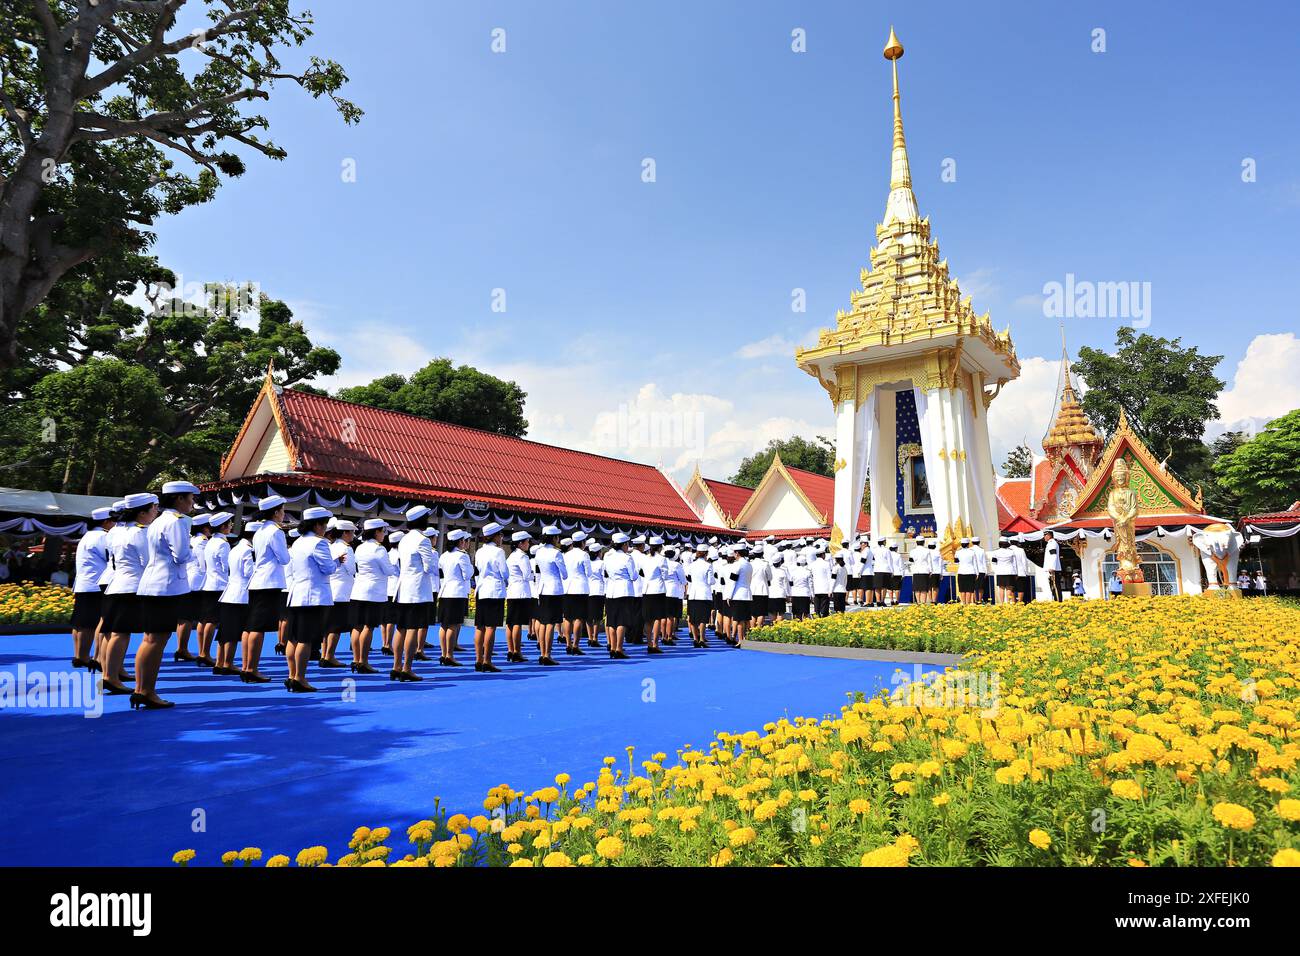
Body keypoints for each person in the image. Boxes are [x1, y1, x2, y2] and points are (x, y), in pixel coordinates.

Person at [132, 480, 199, 709]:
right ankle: (146, 691)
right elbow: (181, 556)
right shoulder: (176, 522)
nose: (192, 502)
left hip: (155, 585)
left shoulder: (160, 521)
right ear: (179, 499)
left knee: (150, 640)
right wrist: (192, 552)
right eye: (190, 497)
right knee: (156, 641)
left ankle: (142, 689)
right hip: (166, 587)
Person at [99, 494, 158, 694]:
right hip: (132, 586)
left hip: (117, 584)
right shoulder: (140, 533)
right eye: (153, 508)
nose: (155, 512)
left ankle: (109, 674)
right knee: (120, 634)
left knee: (113, 634)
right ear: (142, 512)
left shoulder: (117, 531)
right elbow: (148, 561)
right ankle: (110, 676)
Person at [283, 507, 336, 692]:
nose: (325, 528)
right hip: (312, 597)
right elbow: (328, 568)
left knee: (293, 639)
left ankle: (291, 675)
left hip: (296, 594)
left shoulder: (298, 542)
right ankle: (300, 678)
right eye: (324, 524)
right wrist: (336, 562)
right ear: (317, 525)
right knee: (305, 640)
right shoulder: (319, 543)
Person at [244, 495, 289, 684]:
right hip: (269, 582)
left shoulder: (260, 531)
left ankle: (247, 666)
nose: (284, 513)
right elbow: (285, 558)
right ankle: (252, 669)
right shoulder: (275, 532)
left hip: (257, 581)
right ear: (276, 512)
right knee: (258, 628)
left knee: (250, 627)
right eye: (282, 510)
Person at [394, 506, 436, 682]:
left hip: (403, 589)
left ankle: (396, 666)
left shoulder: (404, 539)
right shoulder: (423, 540)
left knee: (401, 628)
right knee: (412, 629)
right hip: (417, 590)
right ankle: (407, 668)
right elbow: (430, 567)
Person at [71, 507, 114, 670]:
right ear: (106, 522)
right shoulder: (103, 536)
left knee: (79, 623)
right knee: (91, 623)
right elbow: (111, 557)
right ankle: (88, 657)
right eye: (113, 521)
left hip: (83, 584)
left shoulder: (88, 536)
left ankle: (79, 655)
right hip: (95, 585)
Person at [349, 519, 394, 674]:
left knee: (357, 626)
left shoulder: (359, 547)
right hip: (373, 593)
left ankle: (356, 659)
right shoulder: (379, 549)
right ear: (376, 532)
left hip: (358, 590)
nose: (384, 534)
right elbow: (389, 570)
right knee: (369, 627)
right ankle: (363, 661)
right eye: (383, 531)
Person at [214, 519, 257, 676]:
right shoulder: (247, 550)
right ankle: (228, 664)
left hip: (229, 593)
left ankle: (220, 662)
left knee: (225, 631)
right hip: (240, 595)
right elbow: (249, 573)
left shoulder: (235, 548)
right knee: (233, 632)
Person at [198, 512, 234, 666]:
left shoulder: (211, 542)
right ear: (223, 526)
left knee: (206, 620)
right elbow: (227, 566)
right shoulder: (223, 544)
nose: (231, 526)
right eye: (230, 523)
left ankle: (203, 652)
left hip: (209, 583)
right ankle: (205, 653)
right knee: (213, 621)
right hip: (220, 585)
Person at [320, 517, 357, 669]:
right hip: (342, 591)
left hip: (329, 589)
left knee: (327, 625)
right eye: (352, 532)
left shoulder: (330, 545)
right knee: (336, 626)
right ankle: (330, 656)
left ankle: (324, 654)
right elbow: (352, 569)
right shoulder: (346, 548)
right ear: (345, 533)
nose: (353, 535)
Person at [176, 512, 211, 663]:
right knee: (192, 618)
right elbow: (204, 566)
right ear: (205, 528)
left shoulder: (193, 539)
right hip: (198, 583)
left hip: (187, 581)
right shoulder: (203, 542)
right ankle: (184, 649)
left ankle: (181, 648)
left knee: (184, 617)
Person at [472, 523, 508, 671]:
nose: (501, 538)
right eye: (500, 535)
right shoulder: (498, 552)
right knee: (490, 627)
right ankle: (487, 660)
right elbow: (504, 572)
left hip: (482, 589)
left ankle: (478, 659)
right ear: (495, 536)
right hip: (494, 590)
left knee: (480, 626)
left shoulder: (480, 551)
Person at [437, 528, 473, 666]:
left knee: (444, 625)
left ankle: (443, 653)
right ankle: (449, 655)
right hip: (457, 593)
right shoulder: (462, 556)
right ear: (460, 541)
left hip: (445, 591)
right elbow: (467, 574)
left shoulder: (444, 555)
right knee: (453, 625)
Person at [532, 525, 567, 666]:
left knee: (543, 621)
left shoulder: (539, 552)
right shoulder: (556, 553)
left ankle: (542, 653)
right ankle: (547, 654)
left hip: (543, 589)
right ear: (553, 538)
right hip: (554, 589)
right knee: (551, 623)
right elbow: (564, 574)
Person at [601, 533, 636, 659]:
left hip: (611, 590)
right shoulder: (627, 558)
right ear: (624, 544)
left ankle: (612, 647)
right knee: (622, 621)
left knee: (612, 621)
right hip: (624, 591)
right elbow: (634, 576)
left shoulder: (607, 556)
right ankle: (619, 649)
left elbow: (604, 573)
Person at [505, 531, 536, 663]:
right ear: (521, 543)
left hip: (512, 590)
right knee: (517, 622)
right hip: (521, 592)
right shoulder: (523, 557)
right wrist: (533, 573)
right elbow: (527, 576)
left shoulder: (511, 556)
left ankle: (510, 650)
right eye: (527, 542)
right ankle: (517, 651)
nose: (528, 544)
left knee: (510, 623)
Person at [561, 532, 591, 655]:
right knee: (579, 617)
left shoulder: (566, 555)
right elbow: (589, 573)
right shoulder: (584, 555)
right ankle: (575, 645)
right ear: (583, 542)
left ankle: (568, 643)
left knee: (567, 617)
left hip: (567, 588)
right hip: (580, 588)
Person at [414, 527, 442, 662]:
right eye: (435, 538)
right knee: (424, 621)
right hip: (429, 587)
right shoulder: (433, 553)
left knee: (420, 620)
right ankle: (419, 648)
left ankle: (419, 644)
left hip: (423, 587)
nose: (436, 540)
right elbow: (433, 569)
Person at [684, 543, 713, 647]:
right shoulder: (708, 565)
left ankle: (695, 639)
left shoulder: (691, 565)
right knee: (703, 618)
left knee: (693, 618)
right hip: (704, 594)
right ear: (706, 554)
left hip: (693, 593)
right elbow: (711, 581)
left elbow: (688, 579)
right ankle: (702, 638)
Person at [723, 542, 752, 646]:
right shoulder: (748, 564)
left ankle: (740, 640)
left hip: (738, 595)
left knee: (739, 620)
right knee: (745, 619)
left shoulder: (738, 564)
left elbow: (732, 581)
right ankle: (744, 638)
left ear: (737, 553)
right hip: (747, 594)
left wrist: (728, 596)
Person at [382, 529, 403, 655]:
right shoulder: (399, 555)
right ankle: (388, 644)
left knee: (384, 619)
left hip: (385, 587)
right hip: (395, 588)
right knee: (391, 619)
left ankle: (384, 642)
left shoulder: (387, 553)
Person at [585, 539, 606, 648]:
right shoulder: (601, 563)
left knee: (588, 617)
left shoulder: (587, 562)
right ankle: (595, 638)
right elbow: (604, 578)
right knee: (597, 617)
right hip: (598, 590)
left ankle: (590, 637)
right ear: (599, 552)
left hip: (588, 590)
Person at [664, 545, 687, 640]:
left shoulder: (662, 563)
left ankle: (663, 635)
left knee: (664, 616)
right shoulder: (677, 565)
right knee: (671, 616)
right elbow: (683, 580)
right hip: (673, 591)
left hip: (663, 590)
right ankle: (670, 636)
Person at [990, 537, 1017, 604]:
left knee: (1001, 588)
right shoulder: (1012, 552)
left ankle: (1001, 603)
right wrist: (1016, 573)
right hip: (1010, 571)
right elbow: (1014, 563)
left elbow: (993, 562)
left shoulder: (996, 552)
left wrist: (996, 570)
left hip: (1000, 572)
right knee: (1009, 588)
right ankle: (1008, 602)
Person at [749, 547, 770, 627]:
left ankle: (752, 630)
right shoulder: (765, 563)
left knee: (753, 613)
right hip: (762, 590)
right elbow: (770, 577)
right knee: (761, 612)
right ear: (762, 554)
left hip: (752, 590)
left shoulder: (751, 564)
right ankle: (758, 630)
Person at [955, 537, 979, 605]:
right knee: (969, 589)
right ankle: (967, 603)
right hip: (970, 572)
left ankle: (963, 602)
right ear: (968, 544)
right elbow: (975, 563)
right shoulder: (972, 552)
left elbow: (956, 562)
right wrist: (977, 573)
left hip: (961, 571)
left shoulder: (958, 552)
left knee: (962, 589)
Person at [767, 552, 789, 622]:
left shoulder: (769, 570)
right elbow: (786, 584)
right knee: (781, 612)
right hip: (780, 594)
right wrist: (788, 595)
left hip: (771, 594)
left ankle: (773, 626)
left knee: (772, 612)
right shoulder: (783, 571)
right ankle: (778, 627)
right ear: (780, 562)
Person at [1042, 530, 1063, 601]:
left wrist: (1052, 568)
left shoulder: (1052, 543)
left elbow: (1053, 555)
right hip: (1053, 568)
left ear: (1049, 535)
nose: (1044, 537)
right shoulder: (1050, 543)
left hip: (1054, 569)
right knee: (1053, 586)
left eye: (1045, 535)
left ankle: (1058, 601)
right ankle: (1056, 600)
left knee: (1055, 586)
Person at [909, 539, 931, 606]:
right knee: (924, 588)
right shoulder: (927, 551)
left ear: (916, 542)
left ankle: (918, 602)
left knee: (917, 588)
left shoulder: (912, 551)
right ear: (923, 542)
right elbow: (929, 562)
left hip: (916, 571)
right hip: (924, 571)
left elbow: (911, 562)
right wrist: (930, 571)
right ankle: (923, 603)